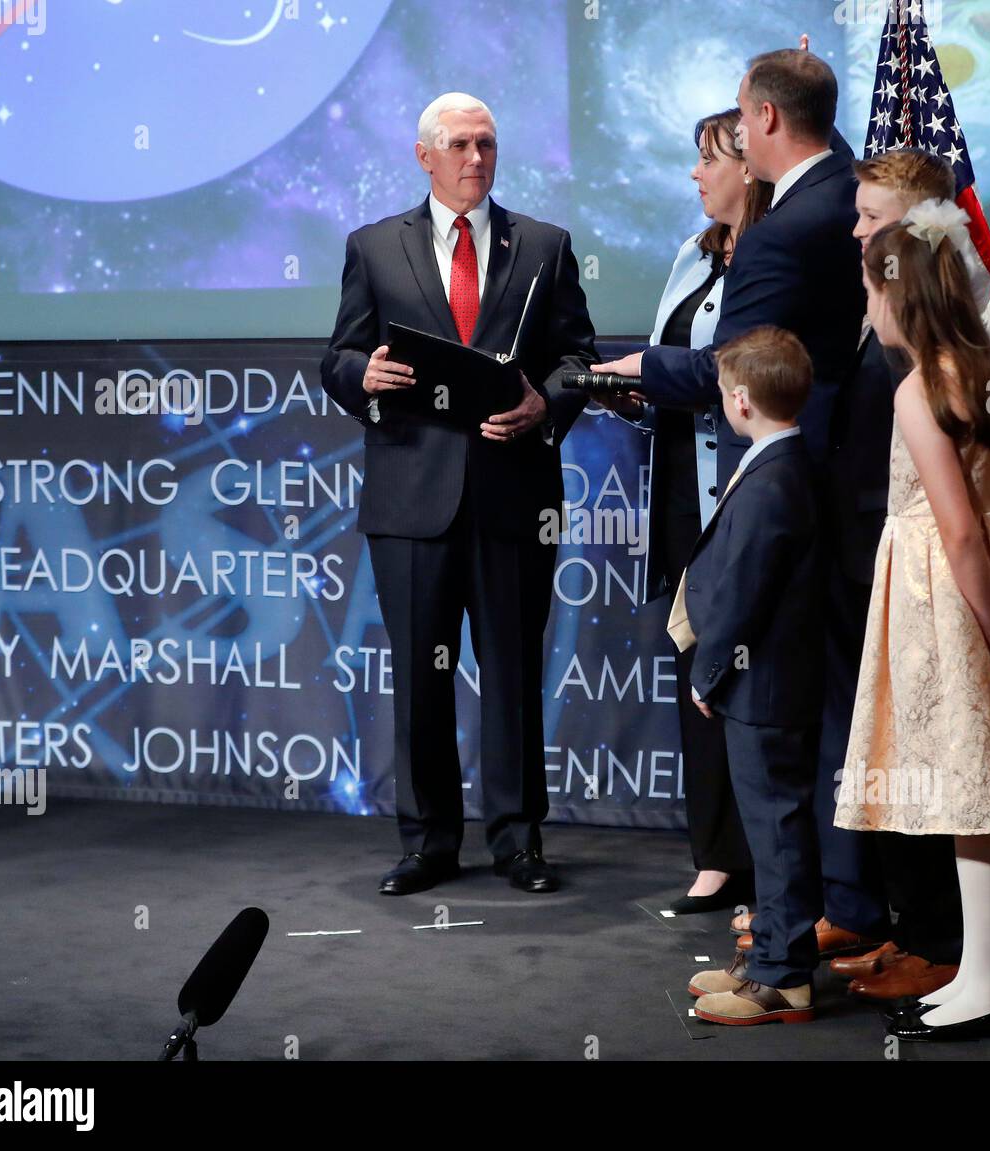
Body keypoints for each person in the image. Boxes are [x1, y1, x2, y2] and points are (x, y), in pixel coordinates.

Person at [596, 47, 890, 959]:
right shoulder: (848, 189)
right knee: (841, 701)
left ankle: (805, 928)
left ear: (762, 121)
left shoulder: (776, 234)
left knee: (790, 715)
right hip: (853, 491)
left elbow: (742, 369)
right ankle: (839, 904)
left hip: (790, 496)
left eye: (739, 115)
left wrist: (639, 368)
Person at [319, 92, 596, 896]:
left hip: (514, 498)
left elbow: (575, 357)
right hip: (412, 502)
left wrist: (549, 402)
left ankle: (518, 841)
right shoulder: (374, 248)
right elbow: (337, 357)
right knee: (419, 675)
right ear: (425, 156)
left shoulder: (544, 244)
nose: (478, 158)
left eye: (488, 144)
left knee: (511, 673)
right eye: (462, 145)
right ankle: (429, 842)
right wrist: (361, 377)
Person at [833, 207, 990, 1041]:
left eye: (868, 288)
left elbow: (955, 523)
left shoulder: (919, 386)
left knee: (968, 785)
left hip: (944, 589)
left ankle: (987, 985)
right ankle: (982, 977)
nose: (865, 307)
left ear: (896, 292)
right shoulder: (983, 367)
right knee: (974, 790)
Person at [607, 108, 771, 914]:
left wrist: (650, 368)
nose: (697, 176)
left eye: (708, 160)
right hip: (679, 494)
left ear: (750, 165)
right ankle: (714, 855)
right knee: (694, 672)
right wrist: (625, 393)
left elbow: (726, 371)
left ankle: (769, 866)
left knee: (752, 677)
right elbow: (666, 375)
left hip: (747, 495)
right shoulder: (690, 254)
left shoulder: (776, 258)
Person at [822, 149, 969, 1004]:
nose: (856, 227)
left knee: (924, 755)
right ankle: (908, 929)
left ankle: (941, 944)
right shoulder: (884, 297)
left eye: (870, 215)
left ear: (914, 225)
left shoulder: (942, 317)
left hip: (919, 564)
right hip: (870, 554)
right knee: (888, 749)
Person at [673, 326, 823, 1025]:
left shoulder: (772, 480)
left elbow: (741, 594)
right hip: (764, 683)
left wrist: (707, 674)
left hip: (760, 685)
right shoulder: (780, 463)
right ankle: (768, 950)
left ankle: (783, 976)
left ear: (738, 401)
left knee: (777, 829)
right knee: (772, 828)